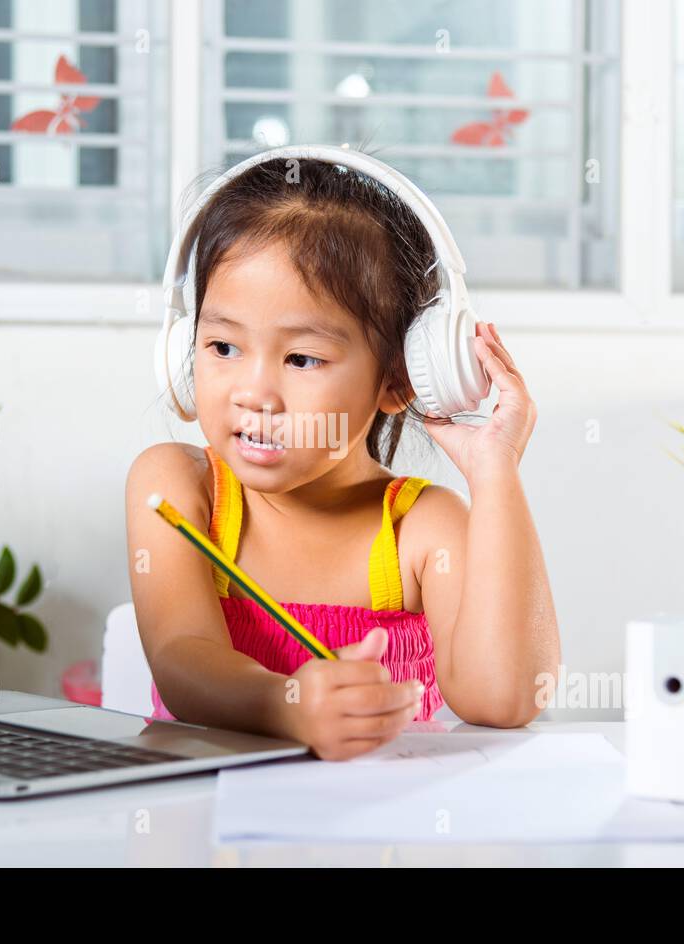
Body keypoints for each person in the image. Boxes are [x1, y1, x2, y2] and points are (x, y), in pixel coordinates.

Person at [125, 153, 559, 760]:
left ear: (400, 378)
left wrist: (495, 471)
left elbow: (504, 698)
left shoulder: (420, 528)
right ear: (181, 350)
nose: (253, 393)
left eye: (302, 359)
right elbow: (182, 657)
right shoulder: (178, 486)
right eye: (222, 346)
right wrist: (291, 705)